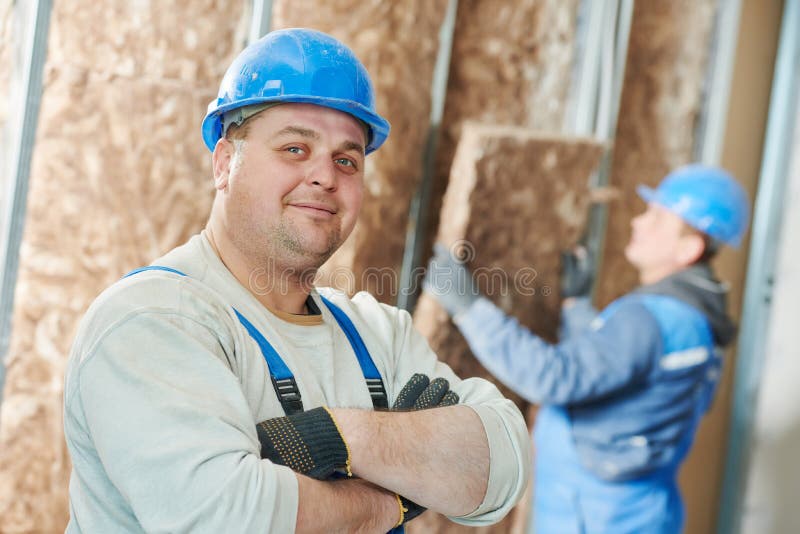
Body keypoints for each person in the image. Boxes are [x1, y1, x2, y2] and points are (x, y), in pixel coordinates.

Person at [63, 28, 530, 533]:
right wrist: (390, 499)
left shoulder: (377, 335)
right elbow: (230, 519)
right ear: (224, 163)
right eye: (294, 149)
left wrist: (340, 436)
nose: (325, 177)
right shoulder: (153, 319)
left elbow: (503, 464)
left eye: (346, 160)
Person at [425, 164, 750, 533]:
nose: (638, 223)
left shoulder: (648, 319)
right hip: (639, 511)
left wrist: (469, 308)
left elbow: (555, 378)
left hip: (590, 515)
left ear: (688, 249)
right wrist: (577, 308)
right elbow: (610, 364)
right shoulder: (693, 319)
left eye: (657, 219)